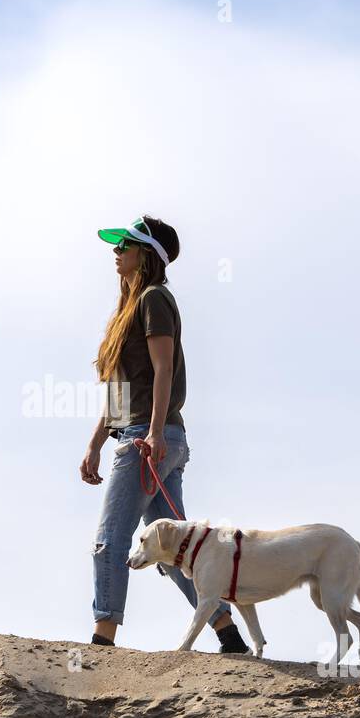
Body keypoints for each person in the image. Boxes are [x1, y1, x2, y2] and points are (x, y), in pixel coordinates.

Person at [79, 215, 249, 653]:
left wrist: (152, 435)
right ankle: (228, 634)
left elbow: (163, 369)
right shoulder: (128, 312)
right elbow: (120, 392)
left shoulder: (155, 298)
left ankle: (102, 642)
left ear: (147, 255)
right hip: (150, 437)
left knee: (110, 542)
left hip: (148, 442)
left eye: (125, 245)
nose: (116, 252)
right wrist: (96, 442)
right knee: (173, 550)